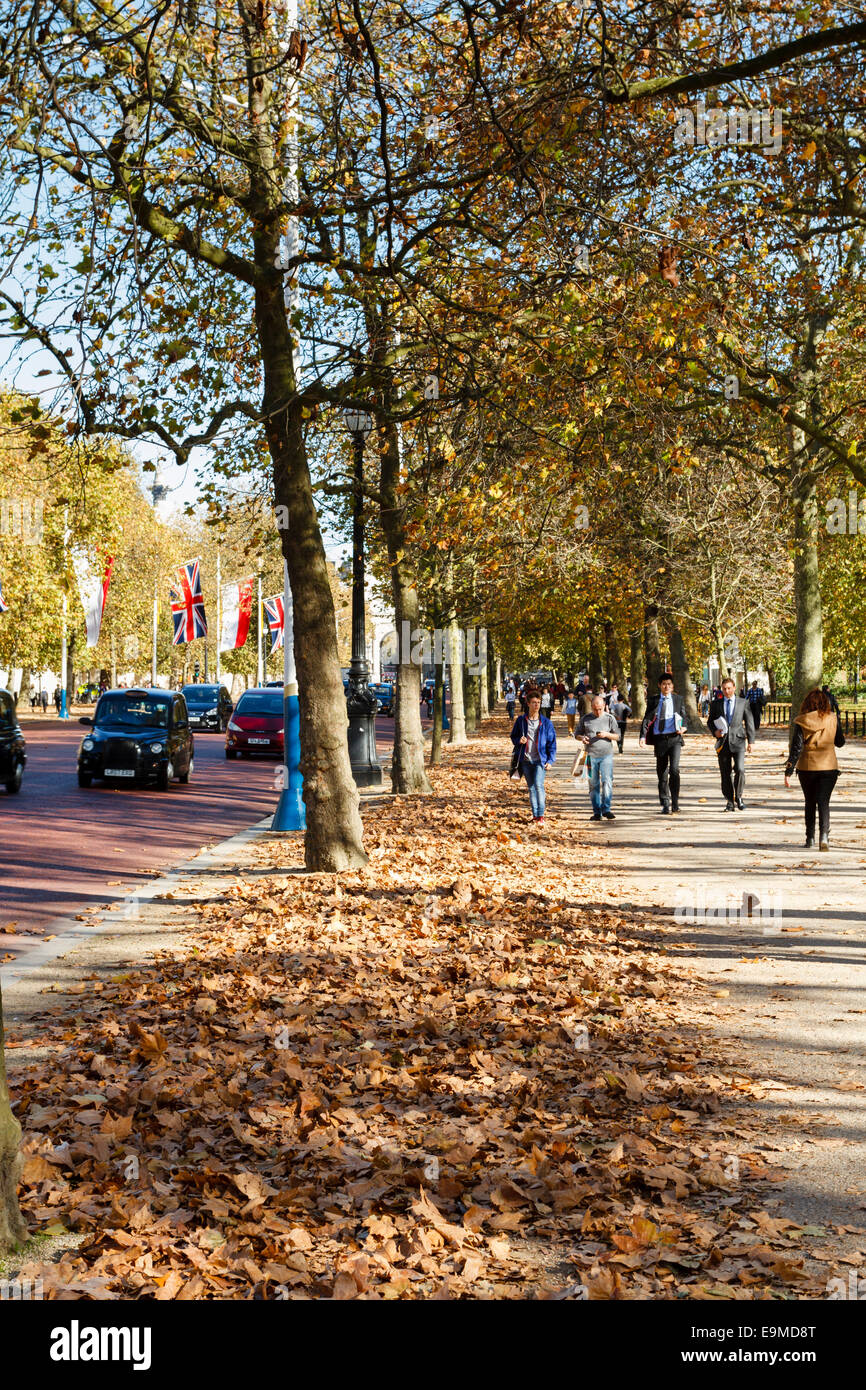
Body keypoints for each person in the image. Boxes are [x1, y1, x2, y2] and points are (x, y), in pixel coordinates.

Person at [784, 688, 845, 850]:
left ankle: (809, 838)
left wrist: (788, 770)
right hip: (828, 766)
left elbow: (796, 748)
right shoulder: (833, 718)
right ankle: (824, 836)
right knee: (823, 801)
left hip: (807, 766)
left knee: (810, 802)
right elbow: (840, 742)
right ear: (826, 703)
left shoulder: (801, 721)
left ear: (807, 704)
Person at [639, 673, 687, 814]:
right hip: (660, 738)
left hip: (675, 738)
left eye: (669, 684)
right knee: (662, 772)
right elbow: (647, 718)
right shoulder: (653, 700)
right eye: (664, 684)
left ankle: (675, 802)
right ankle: (665, 801)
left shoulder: (678, 699)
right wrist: (642, 736)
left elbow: (684, 716)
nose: (667, 686)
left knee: (674, 769)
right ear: (660, 685)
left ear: (672, 686)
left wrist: (684, 727)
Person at [706, 675, 755, 810]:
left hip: (738, 741)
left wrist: (751, 741)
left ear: (734, 688)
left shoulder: (743, 703)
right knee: (725, 773)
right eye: (724, 689)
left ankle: (738, 797)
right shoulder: (716, 704)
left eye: (729, 688)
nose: (727, 691)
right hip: (723, 742)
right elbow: (710, 721)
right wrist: (715, 732)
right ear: (721, 689)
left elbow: (749, 722)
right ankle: (729, 801)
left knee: (740, 769)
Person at [510, 690, 557, 826]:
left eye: (538, 703)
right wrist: (520, 740)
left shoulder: (546, 723)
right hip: (525, 759)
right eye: (534, 703)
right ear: (528, 704)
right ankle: (535, 815)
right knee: (531, 788)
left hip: (540, 760)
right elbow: (513, 737)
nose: (536, 705)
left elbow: (552, 743)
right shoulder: (521, 721)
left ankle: (541, 815)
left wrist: (550, 760)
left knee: (538, 785)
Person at [576, 693, 620, 820]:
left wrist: (607, 734)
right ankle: (597, 811)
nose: (598, 711)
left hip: (606, 755)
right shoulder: (585, 718)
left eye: (600, 708)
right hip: (590, 756)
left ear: (604, 705)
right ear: (591, 707)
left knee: (607, 781)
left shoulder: (610, 718)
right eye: (595, 709)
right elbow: (577, 734)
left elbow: (617, 736)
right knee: (593, 784)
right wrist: (582, 738)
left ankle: (606, 808)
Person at [609, 686, 631, 753]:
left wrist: (616, 716)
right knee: (622, 735)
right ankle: (621, 746)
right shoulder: (625, 706)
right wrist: (627, 715)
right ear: (623, 699)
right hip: (624, 722)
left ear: (617, 699)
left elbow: (611, 711)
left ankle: (619, 745)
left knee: (618, 735)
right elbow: (630, 710)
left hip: (617, 722)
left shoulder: (615, 706)